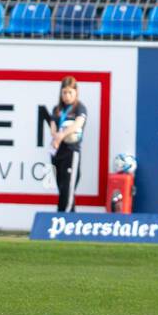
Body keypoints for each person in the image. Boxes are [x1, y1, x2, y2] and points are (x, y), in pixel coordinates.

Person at [49, 76, 88, 213]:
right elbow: (53, 127)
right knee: (62, 188)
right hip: (57, 152)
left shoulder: (79, 108)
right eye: (64, 92)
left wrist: (62, 135)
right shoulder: (57, 109)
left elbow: (77, 125)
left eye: (70, 92)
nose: (67, 96)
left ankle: (62, 217)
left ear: (76, 92)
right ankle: (70, 222)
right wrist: (56, 136)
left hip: (71, 152)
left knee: (68, 188)